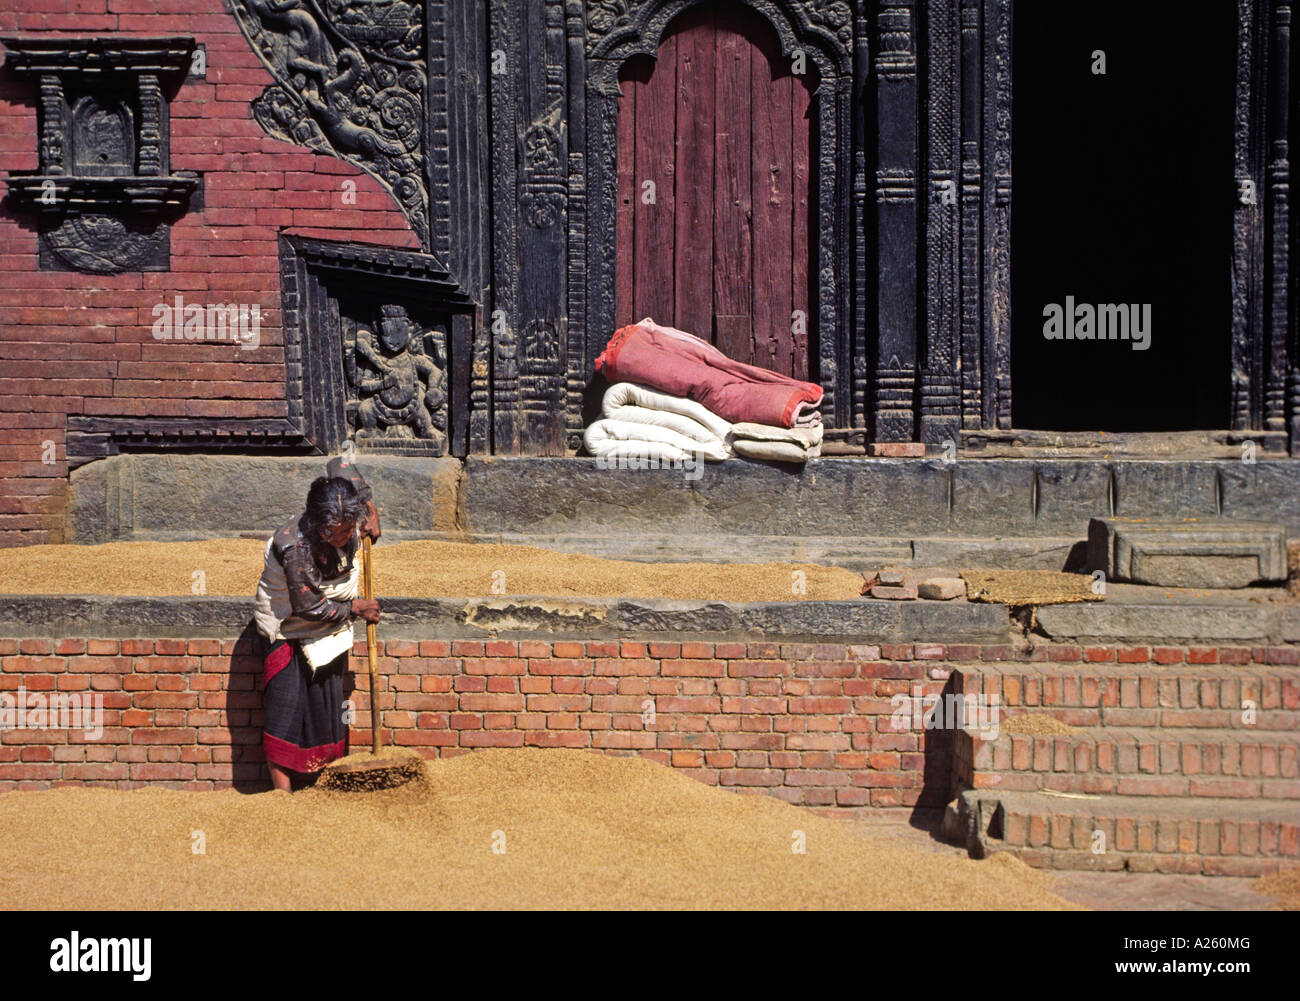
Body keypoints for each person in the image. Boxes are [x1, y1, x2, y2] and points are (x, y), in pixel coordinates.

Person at [252, 456, 382, 791]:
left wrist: (370, 509)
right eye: (332, 532)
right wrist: (356, 608)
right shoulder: (295, 547)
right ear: (315, 523)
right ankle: (283, 799)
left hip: (328, 635)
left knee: (326, 712)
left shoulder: (346, 502)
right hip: (288, 630)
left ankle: (322, 789)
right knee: (285, 714)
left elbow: (339, 463)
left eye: (347, 530)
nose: (341, 537)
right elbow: (309, 606)